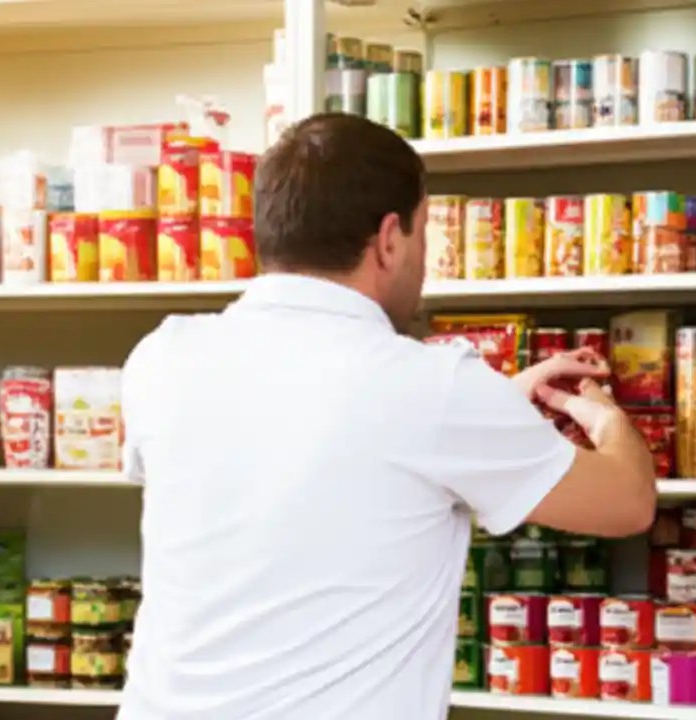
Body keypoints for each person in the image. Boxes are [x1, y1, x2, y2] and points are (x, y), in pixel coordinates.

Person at [116, 113, 657, 720]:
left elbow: (301, 460)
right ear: (390, 238)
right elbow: (628, 501)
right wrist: (603, 413)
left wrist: (498, 409)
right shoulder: (435, 387)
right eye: (425, 232)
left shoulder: (163, 356)